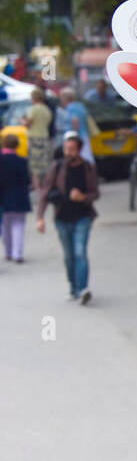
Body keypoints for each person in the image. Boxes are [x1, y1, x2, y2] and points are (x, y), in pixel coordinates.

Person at [36, 133, 100, 303]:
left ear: (79, 150)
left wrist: (83, 197)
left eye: (72, 150)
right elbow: (45, 191)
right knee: (69, 255)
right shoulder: (57, 167)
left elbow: (95, 193)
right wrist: (40, 217)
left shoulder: (88, 168)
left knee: (80, 253)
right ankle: (73, 287)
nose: (68, 153)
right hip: (62, 218)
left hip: (82, 217)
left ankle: (83, 289)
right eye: (66, 149)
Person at [0, 134, 32, 262]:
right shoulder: (22, 161)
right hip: (19, 197)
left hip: (3, 197)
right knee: (18, 225)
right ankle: (17, 253)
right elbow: (26, 179)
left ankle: (8, 252)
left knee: (5, 226)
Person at [21, 89, 53, 186]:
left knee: (34, 166)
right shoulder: (47, 109)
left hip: (34, 138)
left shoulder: (34, 109)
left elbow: (28, 123)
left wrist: (23, 122)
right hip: (44, 137)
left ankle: (37, 187)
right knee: (44, 164)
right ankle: (45, 186)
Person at [56, 88, 95, 165]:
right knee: (86, 155)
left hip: (76, 136)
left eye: (62, 98)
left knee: (78, 155)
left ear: (66, 98)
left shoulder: (70, 107)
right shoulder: (80, 106)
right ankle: (90, 171)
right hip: (84, 135)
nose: (61, 100)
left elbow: (75, 120)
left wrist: (74, 136)